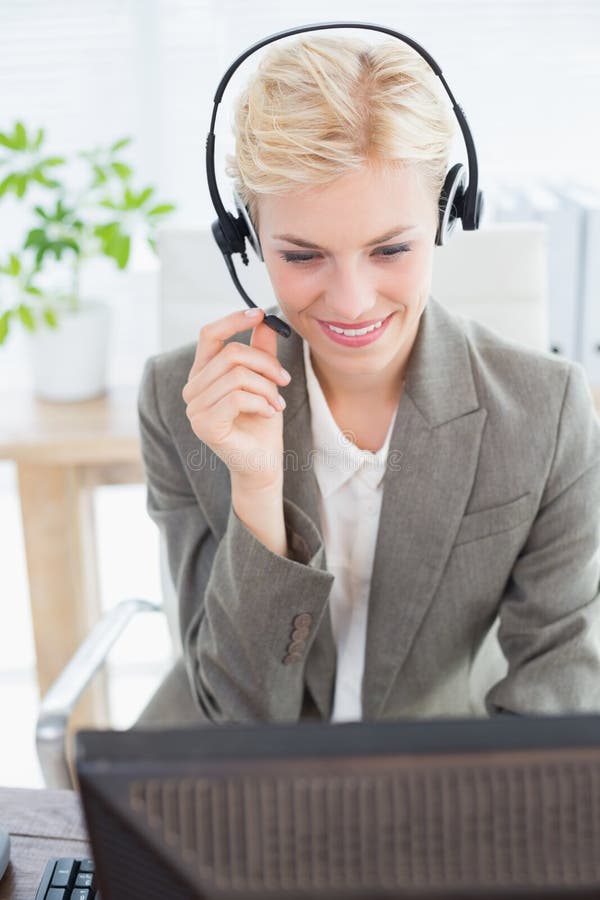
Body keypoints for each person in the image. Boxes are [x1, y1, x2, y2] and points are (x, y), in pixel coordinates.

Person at [136, 33, 600, 726]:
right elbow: (236, 718)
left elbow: (558, 700)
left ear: (447, 217)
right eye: (302, 255)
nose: (351, 301)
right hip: (247, 785)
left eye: (390, 249)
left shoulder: (547, 410)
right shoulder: (183, 402)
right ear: (247, 237)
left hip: (444, 780)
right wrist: (258, 489)